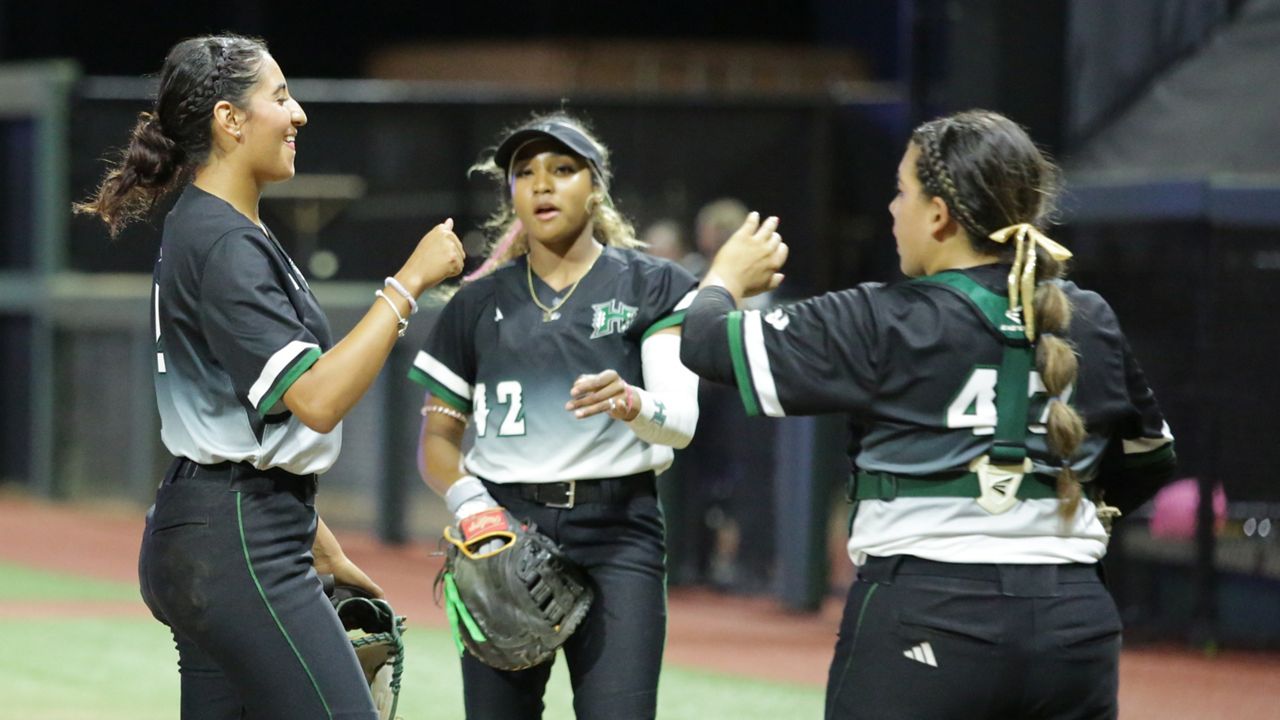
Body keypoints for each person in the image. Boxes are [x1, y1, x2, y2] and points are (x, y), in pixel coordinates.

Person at [680, 109, 1177, 719]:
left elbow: (705, 343)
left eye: (902, 191)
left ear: (939, 213)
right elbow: (1149, 461)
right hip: (1074, 626)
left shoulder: (884, 317)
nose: (893, 209)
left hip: (928, 613)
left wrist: (725, 277)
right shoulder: (1089, 316)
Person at [74, 34, 464, 719]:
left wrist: (315, 538)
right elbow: (314, 400)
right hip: (237, 543)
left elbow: (246, 423)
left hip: (218, 530)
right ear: (229, 120)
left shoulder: (211, 228)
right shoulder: (224, 241)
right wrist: (409, 283)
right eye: (279, 97)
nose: (299, 114)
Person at [410, 111, 700, 720]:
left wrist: (634, 403)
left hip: (620, 530)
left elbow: (679, 423)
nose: (542, 184)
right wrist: (472, 505)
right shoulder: (475, 303)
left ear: (595, 185)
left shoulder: (653, 285)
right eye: (525, 172)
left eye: (562, 169)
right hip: (502, 528)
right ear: (510, 191)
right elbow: (437, 440)